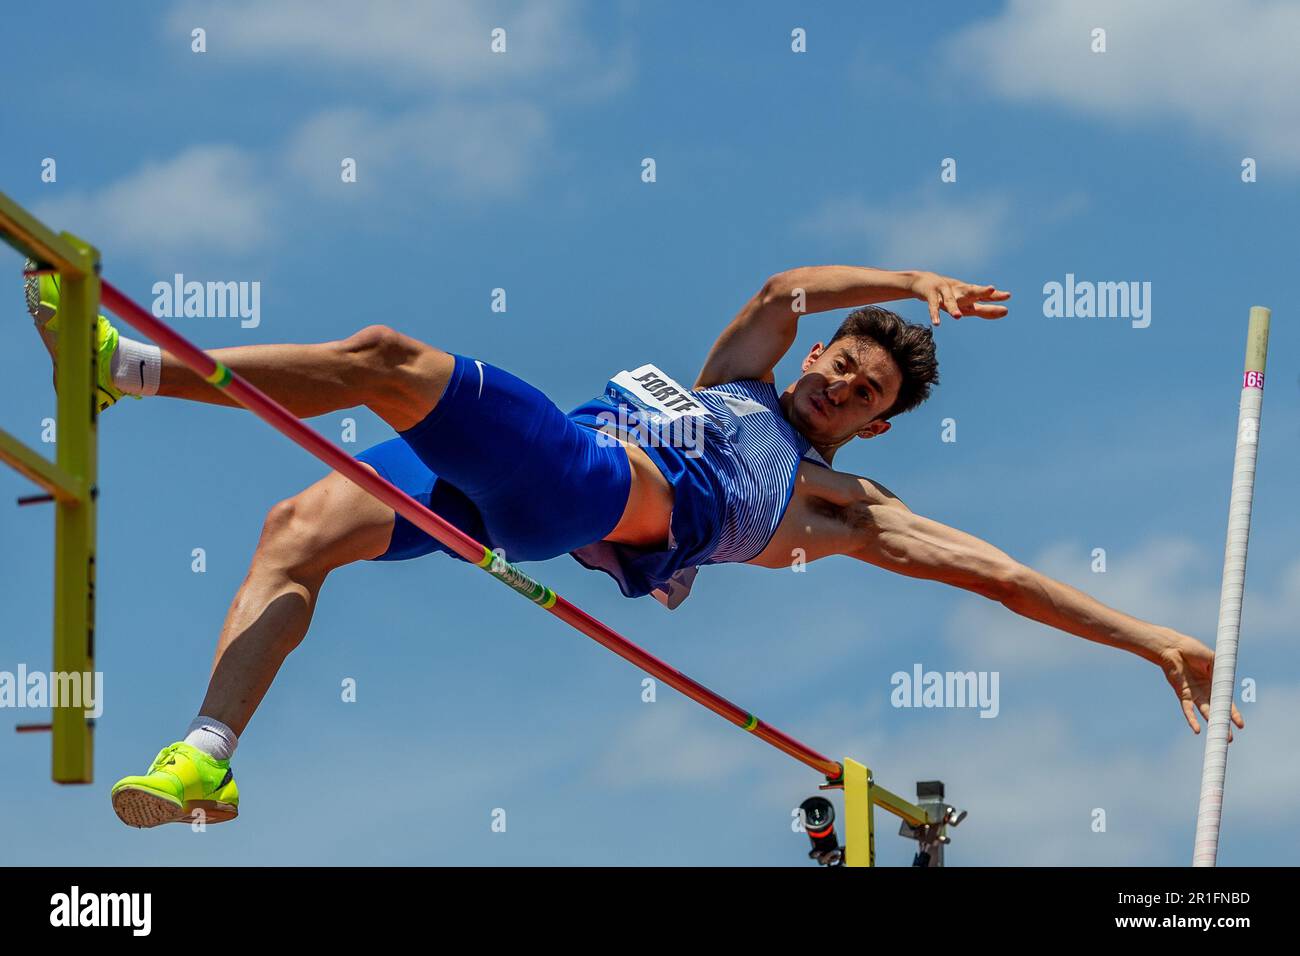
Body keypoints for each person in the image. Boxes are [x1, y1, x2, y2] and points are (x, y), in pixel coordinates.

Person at [25, 262, 1243, 829]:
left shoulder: (836, 506)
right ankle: (206, 754)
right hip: (510, 478)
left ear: (875, 422)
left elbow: (1005, 576)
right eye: (840, 362)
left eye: (863, 392)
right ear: (819, 356)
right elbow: (785, 283)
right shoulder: (737, 375)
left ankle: (120, 372)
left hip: (580, 488)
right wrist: (909, 275)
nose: (837, 384)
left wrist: (1150, 641)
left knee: (389, 356)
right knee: (294, 528)